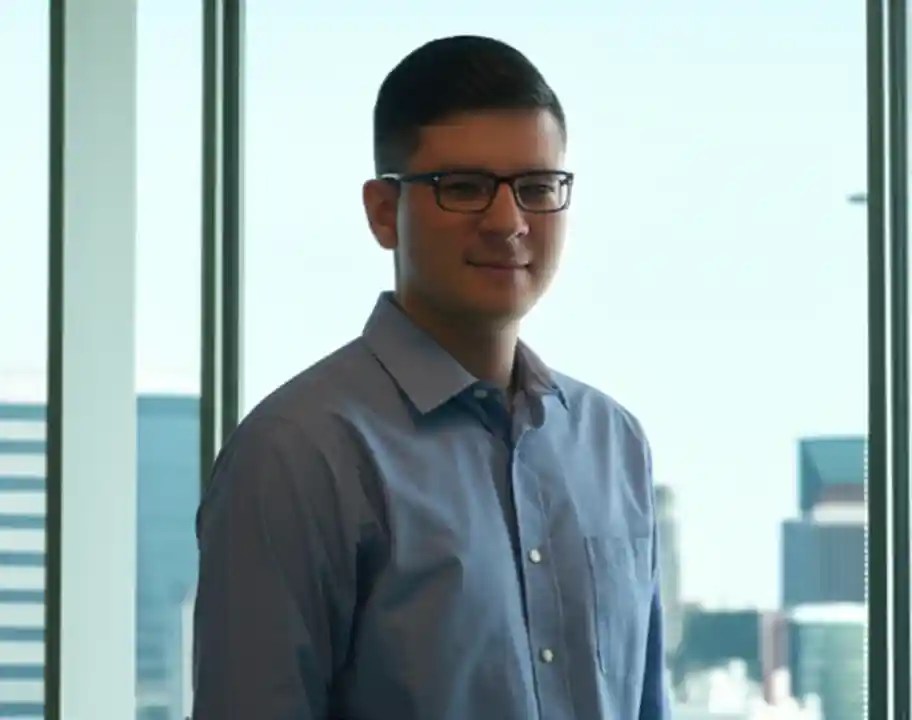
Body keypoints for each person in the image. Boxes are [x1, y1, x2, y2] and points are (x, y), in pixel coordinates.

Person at [193, 34, 669, 720]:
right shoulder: (297, 453)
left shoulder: (613, 444)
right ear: (383, 212)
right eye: (464, 188)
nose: (508, 222)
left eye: (537, 188)